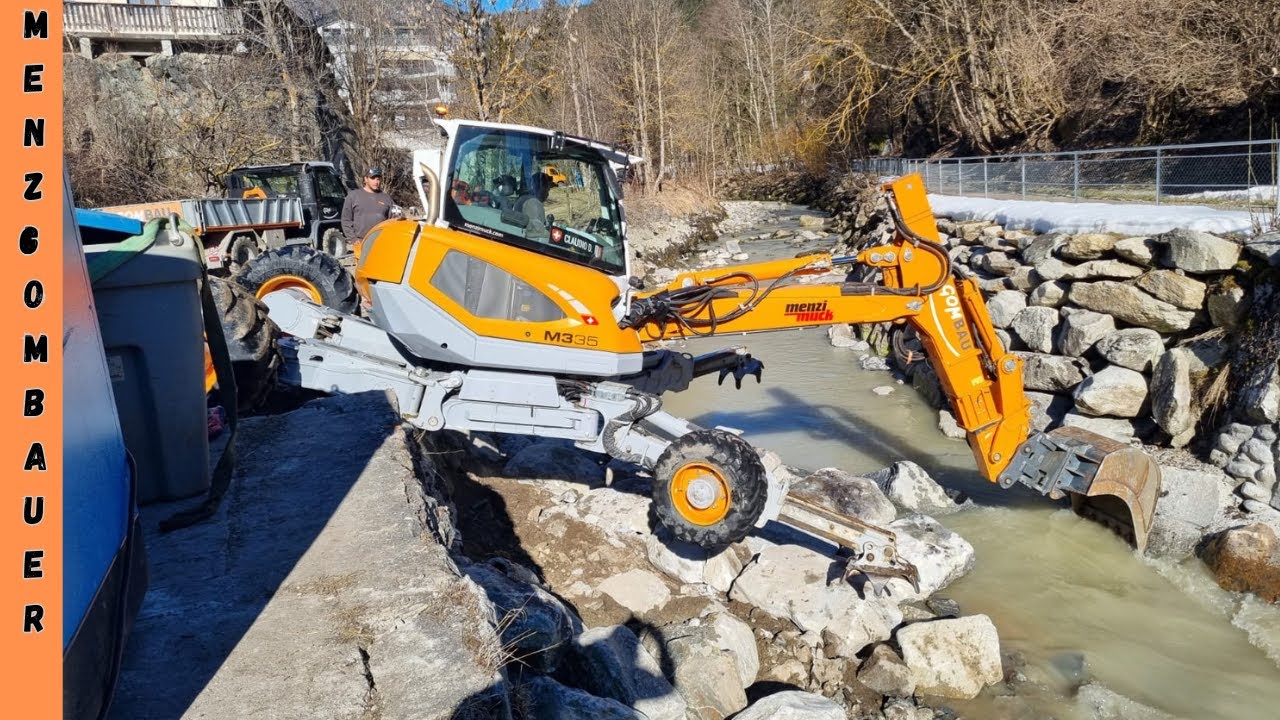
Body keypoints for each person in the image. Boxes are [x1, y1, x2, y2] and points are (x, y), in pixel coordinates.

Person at [341, 167, 395, 240]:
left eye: (378, 179)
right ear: (366, 179)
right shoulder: (353, 196)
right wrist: (353, 239)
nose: (376, 182)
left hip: (381, 240)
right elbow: (346, 220)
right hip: (360, 241)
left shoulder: (386, 198)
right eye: (372, 178)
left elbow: (393, 220)